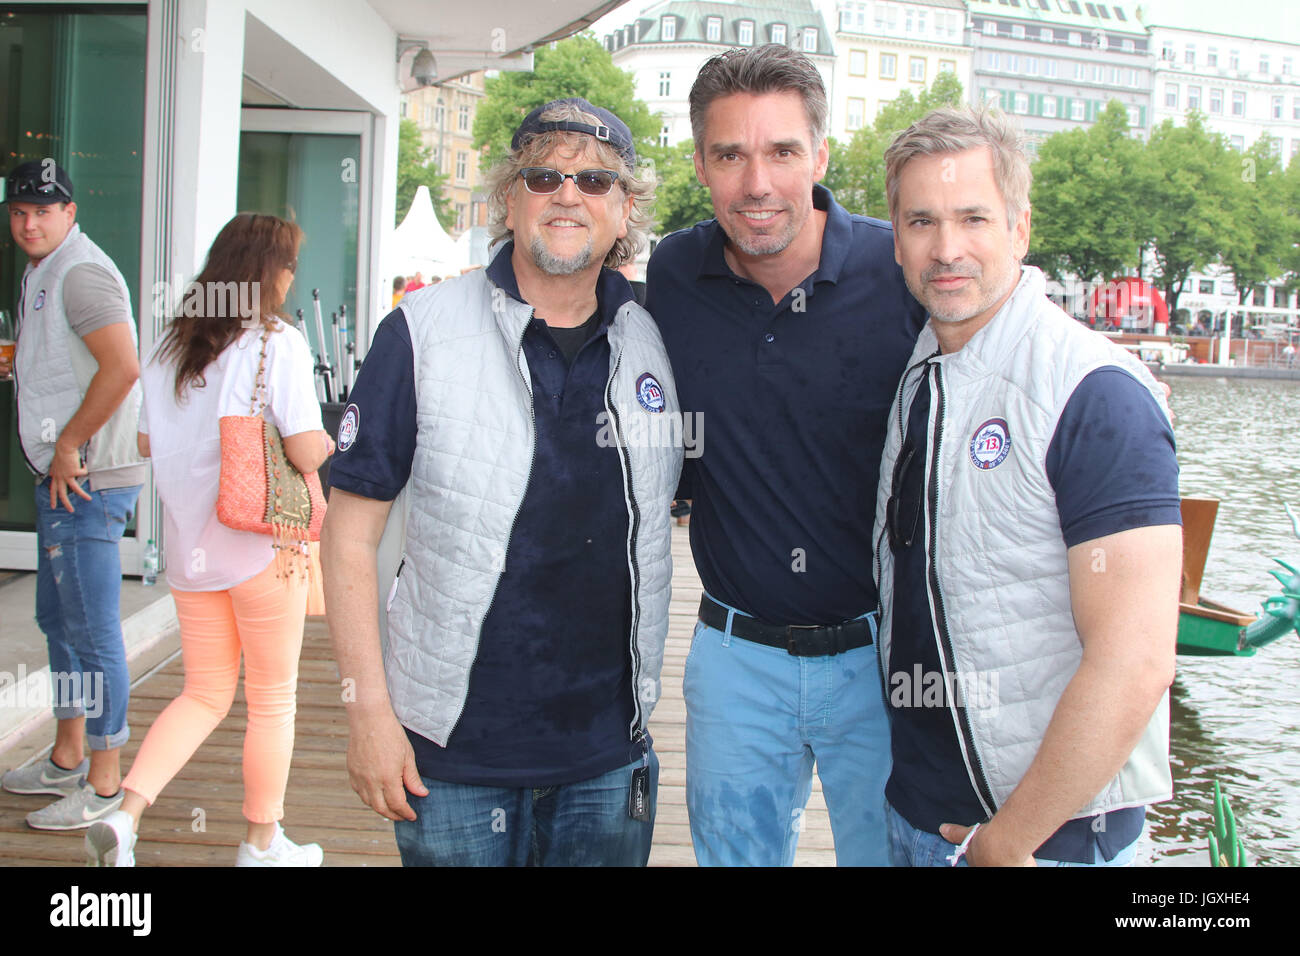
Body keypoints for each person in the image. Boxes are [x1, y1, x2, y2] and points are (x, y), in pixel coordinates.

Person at [322, 98, 682, 867]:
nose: (568, 193)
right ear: (509, 197)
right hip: (450, 759)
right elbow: (348, 537)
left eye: (595, 180)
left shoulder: (652, 339)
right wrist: (368, 716)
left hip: (607, 758)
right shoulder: (419, 332)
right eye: (544, 174)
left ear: (624, 211)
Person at [875, 105, 1182, 867]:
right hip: (922, 814)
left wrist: (1009, 843)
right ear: (895, 238)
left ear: (1020, 228)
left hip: (1045, 842)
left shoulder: (1094, 393)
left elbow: (1136, 657)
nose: (947, 249)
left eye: (973, 217)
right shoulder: (927, 369)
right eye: (921, 221)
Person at [645, 44, 927, 866]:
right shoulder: (674, 272)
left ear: (821, 156)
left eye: (782, 152)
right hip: (736, 662)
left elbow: (1001, 351)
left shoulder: (898, 269)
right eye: (731, 155)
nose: (757, 183)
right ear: (700, 163)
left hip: (882, 660)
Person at [82, 213, 334, 866]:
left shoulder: (171, 342)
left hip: (191, 550)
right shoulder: (275, 342)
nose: (289, 279)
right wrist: (329, 441)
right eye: (288, 267)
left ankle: (128, 815)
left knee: (202, 694)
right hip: (259, 548)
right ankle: (260, 843)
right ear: (267, 272)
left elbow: (145, 440)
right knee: (272, 701)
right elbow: (306, 444)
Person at [1, 161, 145, 832]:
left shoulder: (81, 273)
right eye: (19, 211)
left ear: (70, 211)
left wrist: (68, 445)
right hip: (62, 473)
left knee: (91, 632)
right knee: (59, 626)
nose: (29, 222)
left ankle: (106, 781)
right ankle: (65, 756)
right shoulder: (44, 269)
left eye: (43, 210)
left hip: (87, 477)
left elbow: (122, 367)